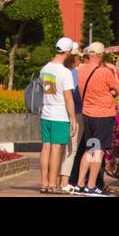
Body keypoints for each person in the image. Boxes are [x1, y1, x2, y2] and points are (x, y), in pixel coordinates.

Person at [73, 43, 119, 195]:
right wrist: (114, 73)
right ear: (100, 55)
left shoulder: (80, 70)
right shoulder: (106, 72)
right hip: (103, 116)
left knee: (89, 149)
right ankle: (91, 185)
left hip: (88, 114)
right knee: (98, 151)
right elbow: (118, 90)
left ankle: (80, 183)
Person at [38, 36, 78, 194]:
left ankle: (44, 183)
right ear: (68, 52)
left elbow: (47, 90)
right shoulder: (65, 72)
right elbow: (68, 99)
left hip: (46, 113)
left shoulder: (45, 69)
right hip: (60, 115)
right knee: (57, 149)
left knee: (45, 147)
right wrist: (73, 119)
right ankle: (53, 184)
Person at [59, 47, 83, 192]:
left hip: (58, 114)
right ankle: (64, 182)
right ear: (74, 58)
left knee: (58, 149)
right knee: (71, 150)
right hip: (75, 113)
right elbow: (75, 96)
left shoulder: (56, 71)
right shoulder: (74, 73)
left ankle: (53, 181)